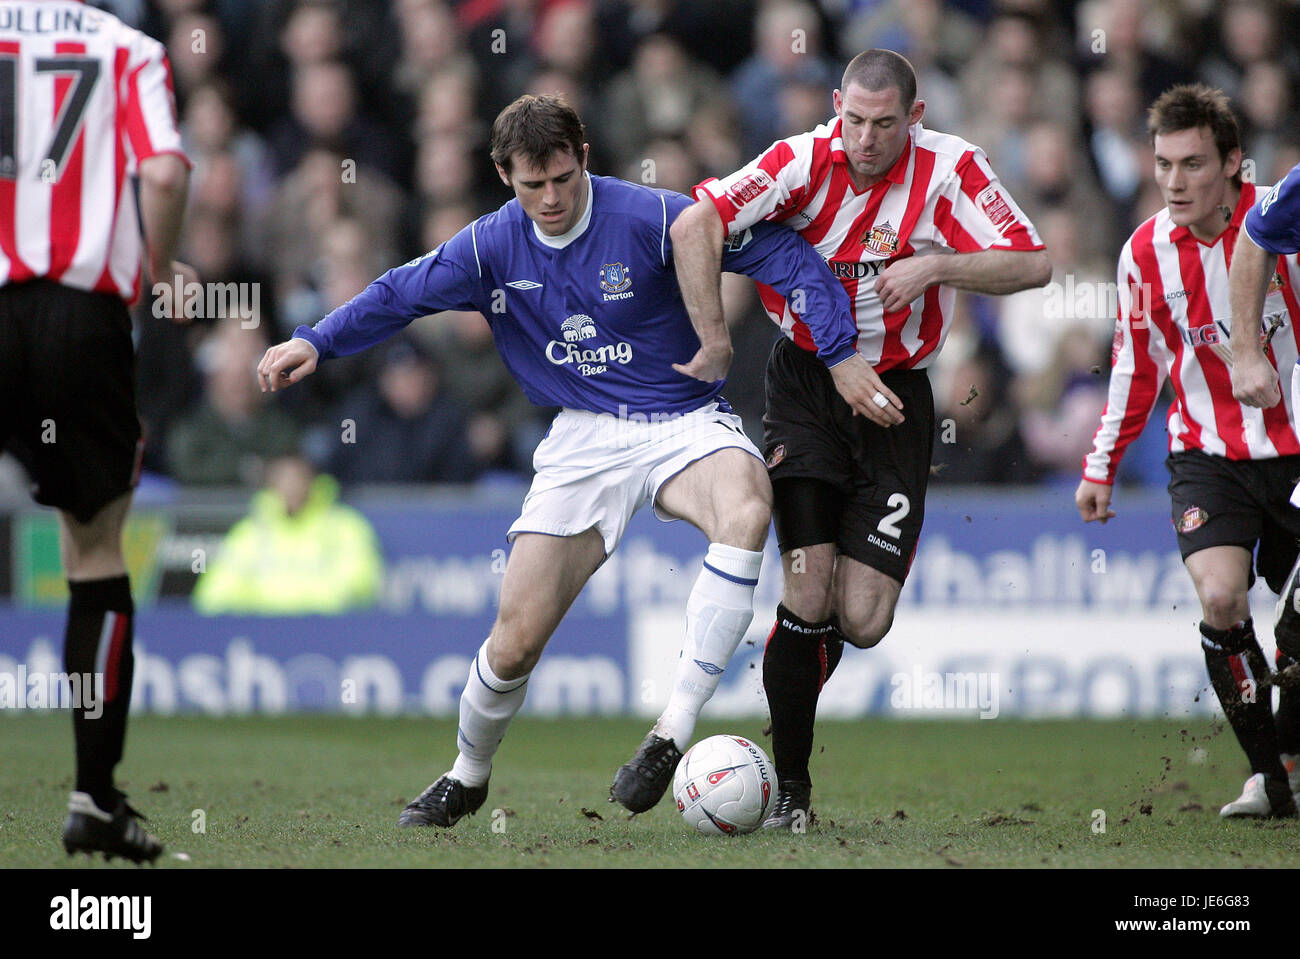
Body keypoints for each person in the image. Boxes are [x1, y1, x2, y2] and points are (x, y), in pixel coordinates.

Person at [257, 94, 883, 827]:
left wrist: (837, 346)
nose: (551, 198)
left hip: (680, 418)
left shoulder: (651, 217)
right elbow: (400, 293)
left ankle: (670, 731)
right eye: (533, 185)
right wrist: (316, 340)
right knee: (513, 642)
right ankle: (467, 773)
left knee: (747, 502)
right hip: (582, 438)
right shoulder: (489, 247)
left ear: (584, 157)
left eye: (563, 178)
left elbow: (778, 250)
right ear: (503, 175)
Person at [670, 48, 1051, 829]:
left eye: (884, 125)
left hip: (896, 397)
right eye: (853, 120)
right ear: (835, 104)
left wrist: (939, 267)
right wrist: (713, 336)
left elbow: (1036, 263)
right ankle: (792, 793)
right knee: (805, 585)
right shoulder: (799, 161)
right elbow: (696, 219)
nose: (865, 139)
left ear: (914, 118)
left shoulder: (952, 168)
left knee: (864, 618)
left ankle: (791, 679)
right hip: (806, 383)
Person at [0, 0, 193, 861]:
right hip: (82, 317)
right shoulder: (128, 48)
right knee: (95, 549)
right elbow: (162, 172)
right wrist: (160, 268)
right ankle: (94, 798)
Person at [1078, 85, 1300, 818]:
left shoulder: (1283, 223)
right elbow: (1134, 365)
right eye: (1163, 163)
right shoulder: (1144, 251)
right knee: (1219, 597)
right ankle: (1270, 776)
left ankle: (1292, 755)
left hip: (1296, 447)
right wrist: (1101, 463)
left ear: (1235, 162)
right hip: (1207, 450)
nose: (1174, 181)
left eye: (1193, 164)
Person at [192, 453, 385, 615]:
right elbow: (214, 595)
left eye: (298, 479)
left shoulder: (345, 526)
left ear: (313, 481)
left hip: (328, 633)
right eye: (283, 479)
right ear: (270, 485)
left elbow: (360, 584)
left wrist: (297, 609)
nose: (291, 487)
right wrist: (269, 612)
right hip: (260, 634)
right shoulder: (250, 532)